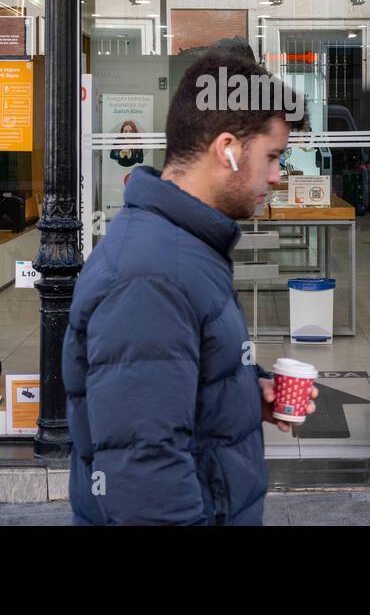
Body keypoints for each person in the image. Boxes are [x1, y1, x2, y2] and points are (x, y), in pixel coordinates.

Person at [64, 49, 316, 525]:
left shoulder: (184, 247)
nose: (277, 177)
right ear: (228, 148)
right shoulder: (152, 275)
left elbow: (178, 384)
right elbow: (145, 474)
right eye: (273, 157)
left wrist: (245, 390)